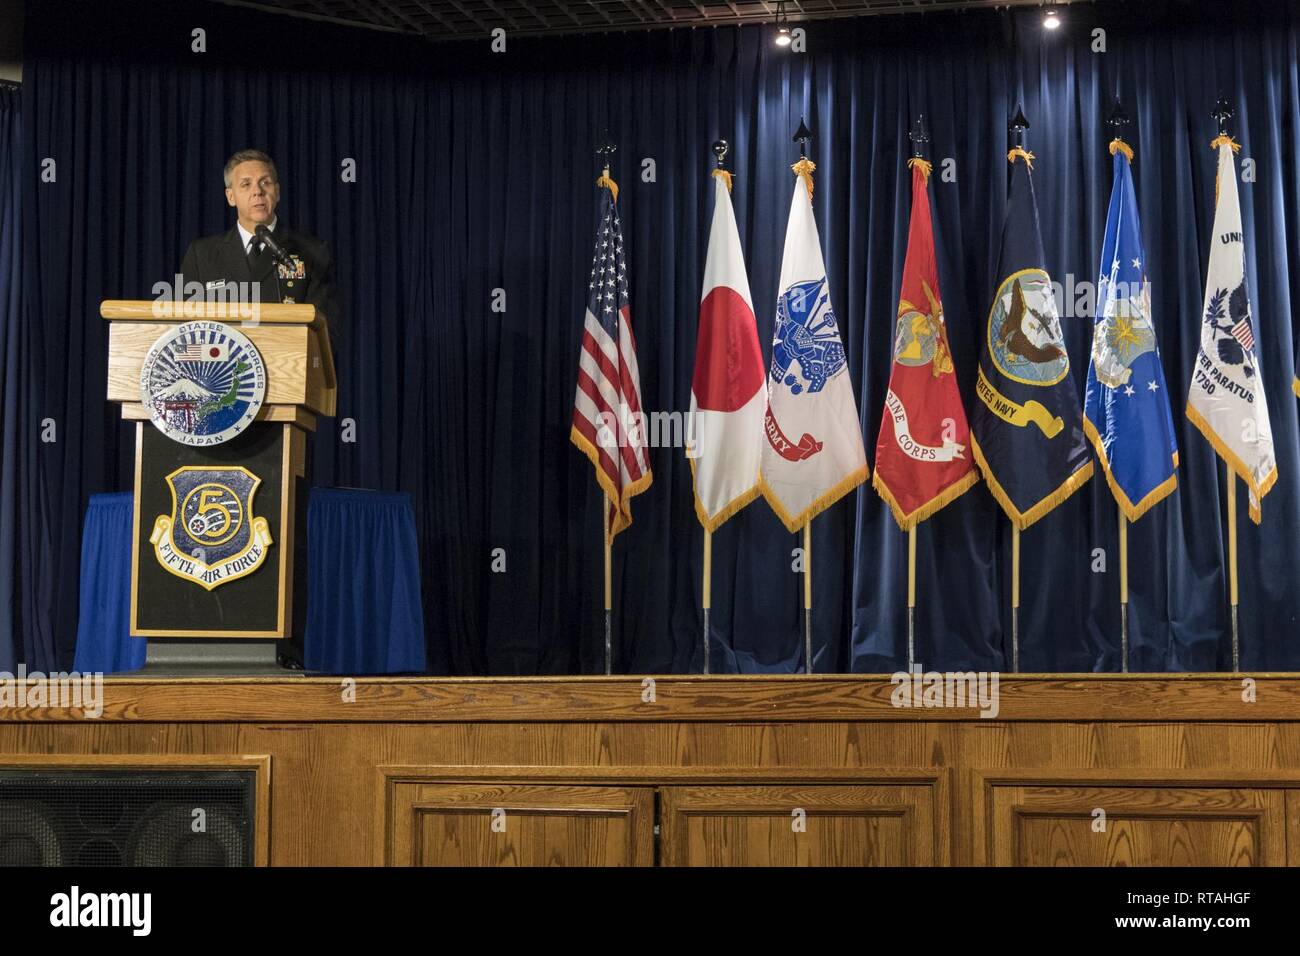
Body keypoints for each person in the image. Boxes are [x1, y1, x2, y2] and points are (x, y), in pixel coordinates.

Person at [180, 149, 338, 332]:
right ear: (231, 196)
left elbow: (324, 328)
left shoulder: (312, 251)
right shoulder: (201, 254)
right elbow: (187, 327)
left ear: (277, 192)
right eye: (246, 184)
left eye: (265, 182)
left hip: (286, 357)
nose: (257, 191)